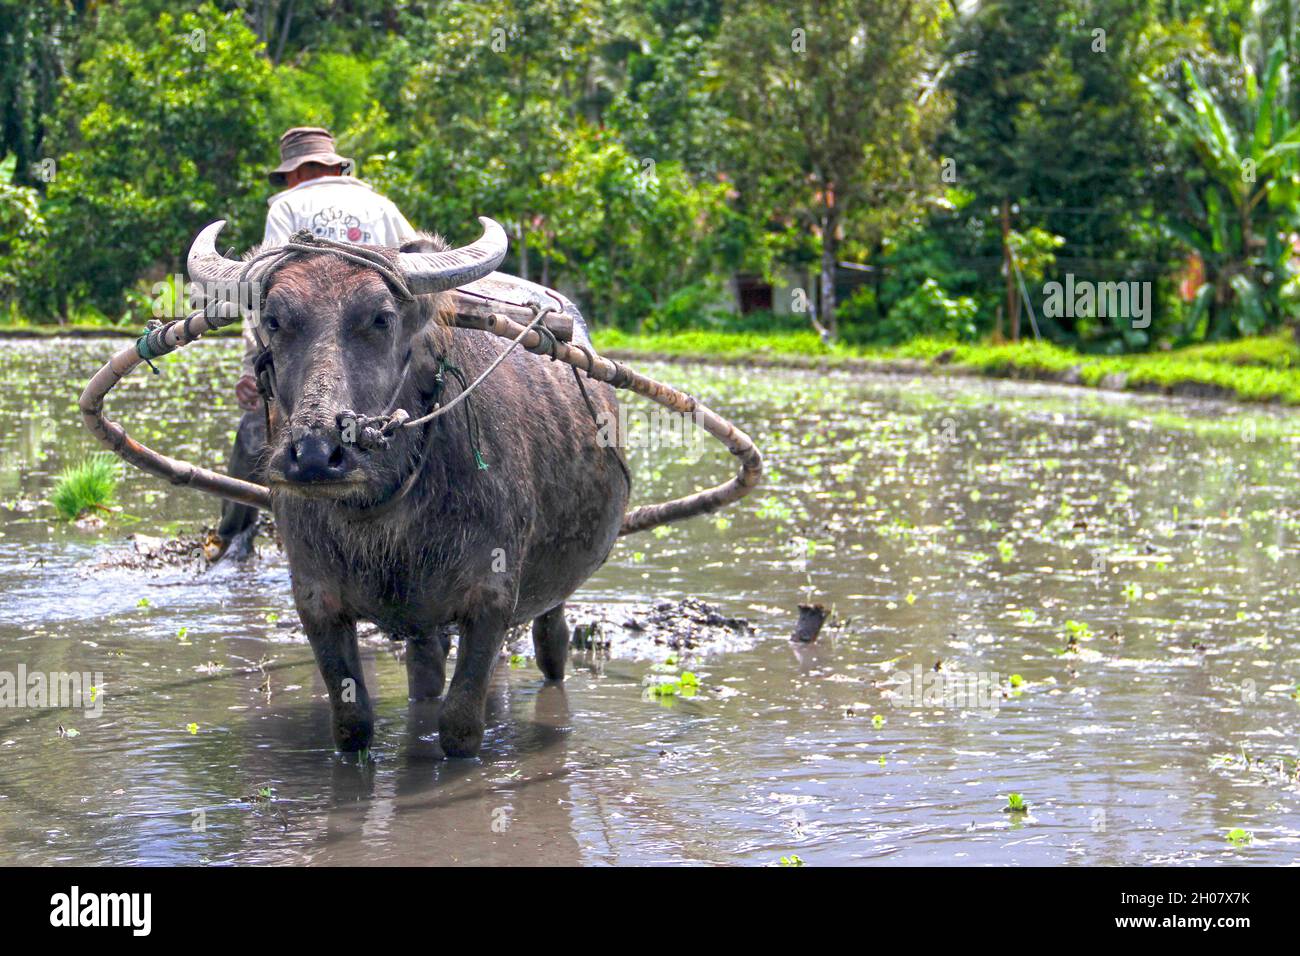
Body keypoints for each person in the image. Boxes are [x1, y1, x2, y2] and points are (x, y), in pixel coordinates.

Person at [212, 127, 417, 559]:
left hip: (305, 341)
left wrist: (253, 370)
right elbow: (417, 270)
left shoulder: (288, 205)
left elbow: (264, 292)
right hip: (374, 346)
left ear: (299, 171)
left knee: (255, 428)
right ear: (334, 166)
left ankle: (233, 536)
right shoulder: (381, 206)